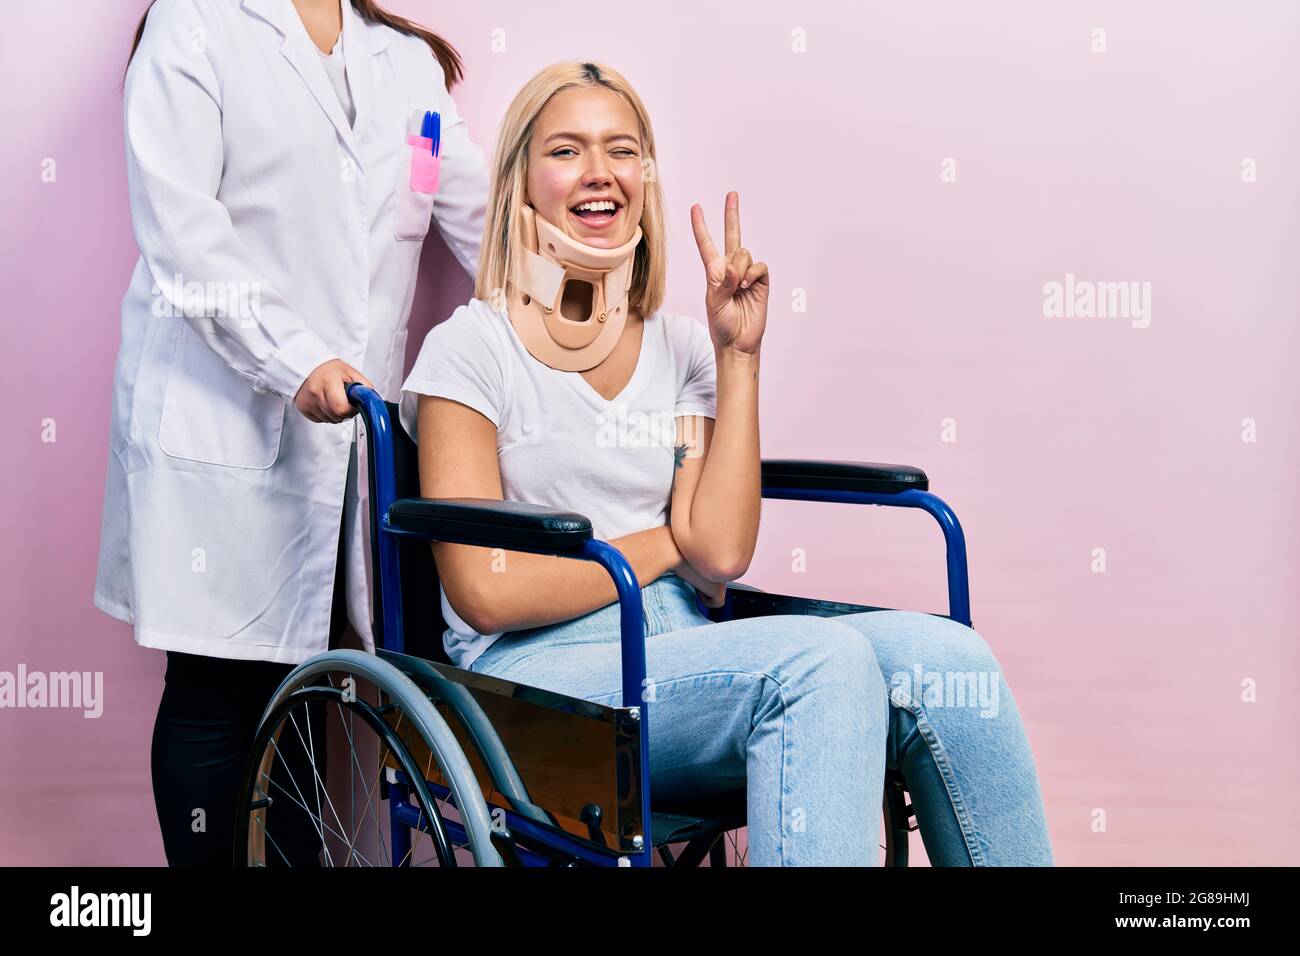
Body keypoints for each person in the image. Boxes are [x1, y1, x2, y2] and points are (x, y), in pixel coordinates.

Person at [398, 61, 1054, 865]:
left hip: (683, 653)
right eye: (567, 151)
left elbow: (722, 552)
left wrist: (737, 356)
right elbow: (486, 588)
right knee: (820, 663)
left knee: (953, 659)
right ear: (520, 184)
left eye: (623, 150)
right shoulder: (473, 349)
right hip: (537, 684)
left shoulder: (679, 350)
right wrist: (665, 544)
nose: (601, 173)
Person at [93, 0, 489, 865]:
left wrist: (591, 279)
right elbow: (184, 237)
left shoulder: (404, 63)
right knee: (217, 685)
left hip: (348, 441)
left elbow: (478, 215)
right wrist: (296, 357)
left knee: (303, 691)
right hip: (222, 412)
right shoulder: (194, 25)